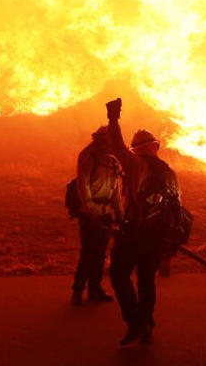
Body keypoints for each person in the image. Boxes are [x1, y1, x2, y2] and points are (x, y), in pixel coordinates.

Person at [105, 97, 182, 345]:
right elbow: (177, 207)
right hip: (156, 237)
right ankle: (147, 321)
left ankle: (136, 322)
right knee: (147, 280)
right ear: (155, 147)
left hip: (134, 234)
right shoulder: (169, 172)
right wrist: (172, 241)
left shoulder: (135, 164)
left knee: (118, 273)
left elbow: (117, 146)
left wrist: (113, 119)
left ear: (136, 149)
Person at [71, 125, 122, 306]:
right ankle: (78, 290)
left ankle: (95, 290)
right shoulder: (89, 156)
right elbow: (83, 185)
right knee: (88, 253)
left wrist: (118, 213)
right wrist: (91, 209)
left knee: (100, 253)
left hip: (106, 213)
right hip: (90, 214)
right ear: (101, 139)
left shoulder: (112, 161)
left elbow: (115, 189)